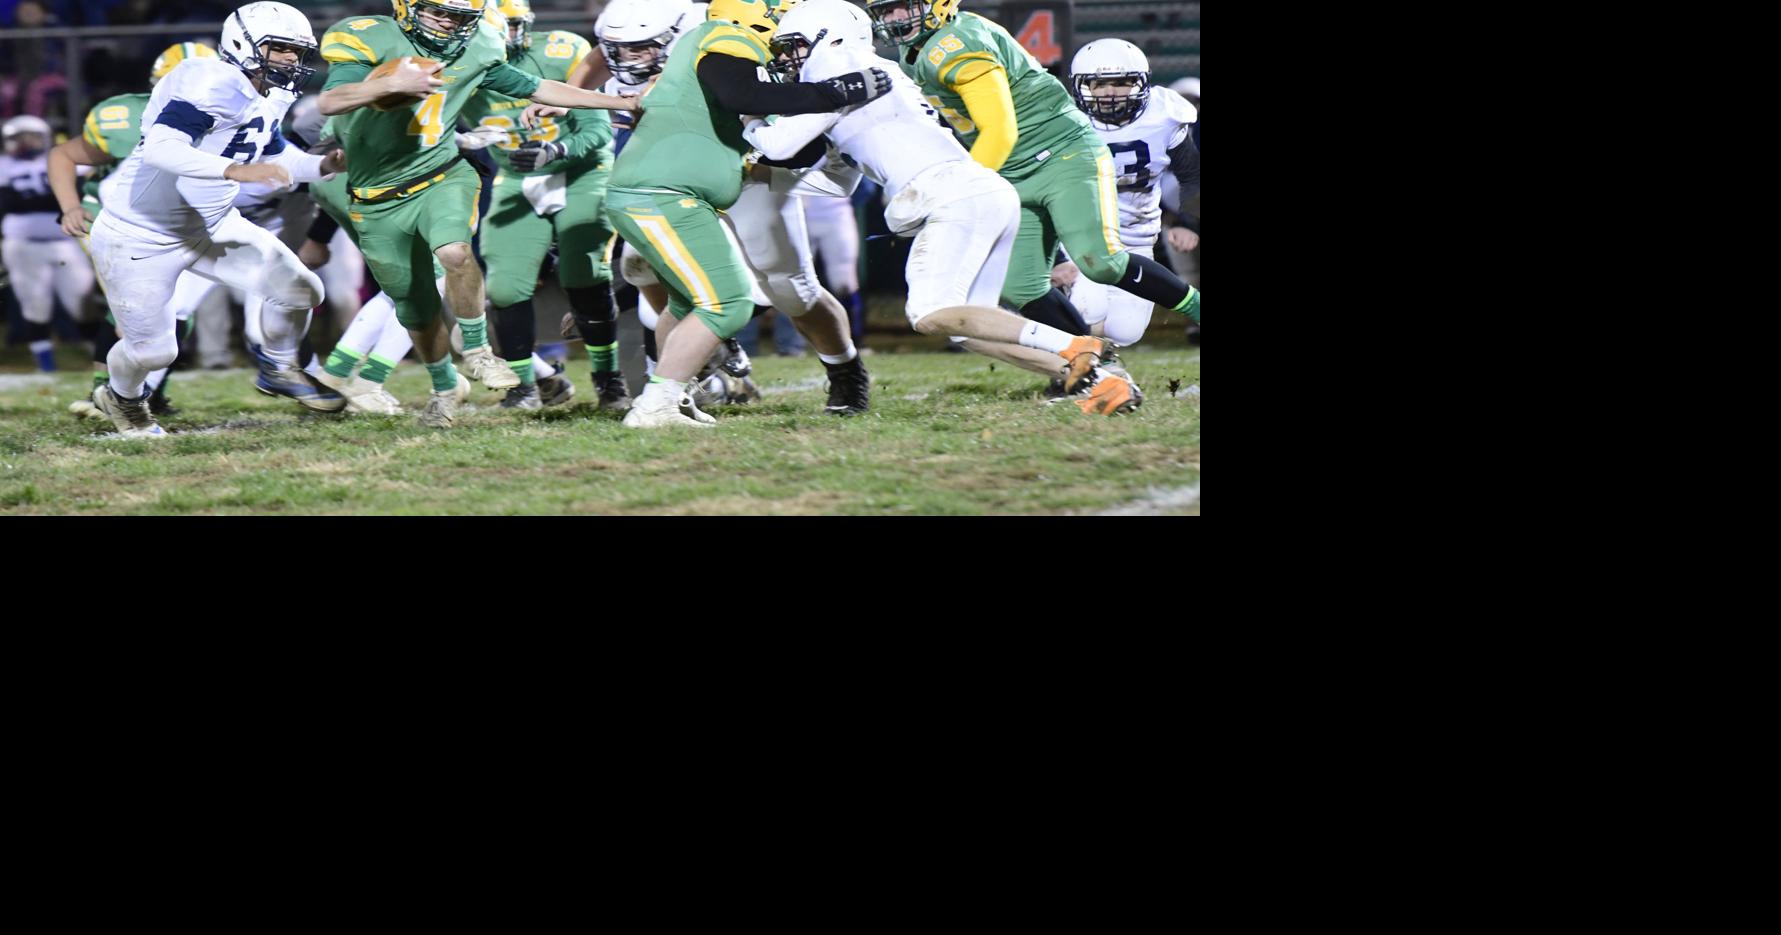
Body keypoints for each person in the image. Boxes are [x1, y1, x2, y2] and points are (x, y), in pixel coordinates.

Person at [750, 0, 1137, 414]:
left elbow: (778, 143)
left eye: (795, 46)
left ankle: (1079, 346)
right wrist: (757, 176)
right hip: (977, 191)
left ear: (830, 37)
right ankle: (1099, 381)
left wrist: (746, 117)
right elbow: (838, 182)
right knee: (966, 327)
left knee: (928, 312)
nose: (789, 59)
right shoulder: (860, 75)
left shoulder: (837, 64)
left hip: (954, 195)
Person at [315, 0, 640, 428]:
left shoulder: (480, 46)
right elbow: (330, 102)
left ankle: (483, 351)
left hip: (444, 174)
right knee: (413, 307)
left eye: (460, 17)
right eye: (438, 12)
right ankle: (444, 385)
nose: (448, 23)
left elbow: (537, 87)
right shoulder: (368, 37)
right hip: (377, 191)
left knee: (455, 253)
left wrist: (620, 100)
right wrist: (389, 84)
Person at [601, 0, 890, 428]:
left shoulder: (783, 46)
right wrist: (831, 95)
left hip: (745, 175)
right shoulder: (721, 36)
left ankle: (845, 372)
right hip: (684, 181)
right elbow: (740, 94)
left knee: (789, 288)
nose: (636, 57)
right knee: (678, 290)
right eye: (627, 48)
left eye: (645, 46)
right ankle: (670, 387)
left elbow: (797, 147)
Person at [85, 2, 345, 437]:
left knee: (302, 290)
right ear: (243, 43)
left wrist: (322, 165)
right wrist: (235, 171)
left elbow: (275, 154)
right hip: (140, 234)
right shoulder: (210, 81)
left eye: (297, 51)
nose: (291, 60)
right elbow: (162, 149)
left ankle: (279, 366)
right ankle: (122, 398)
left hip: (212, 224)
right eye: (281, 48)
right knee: (153, 353)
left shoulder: (270, 93)